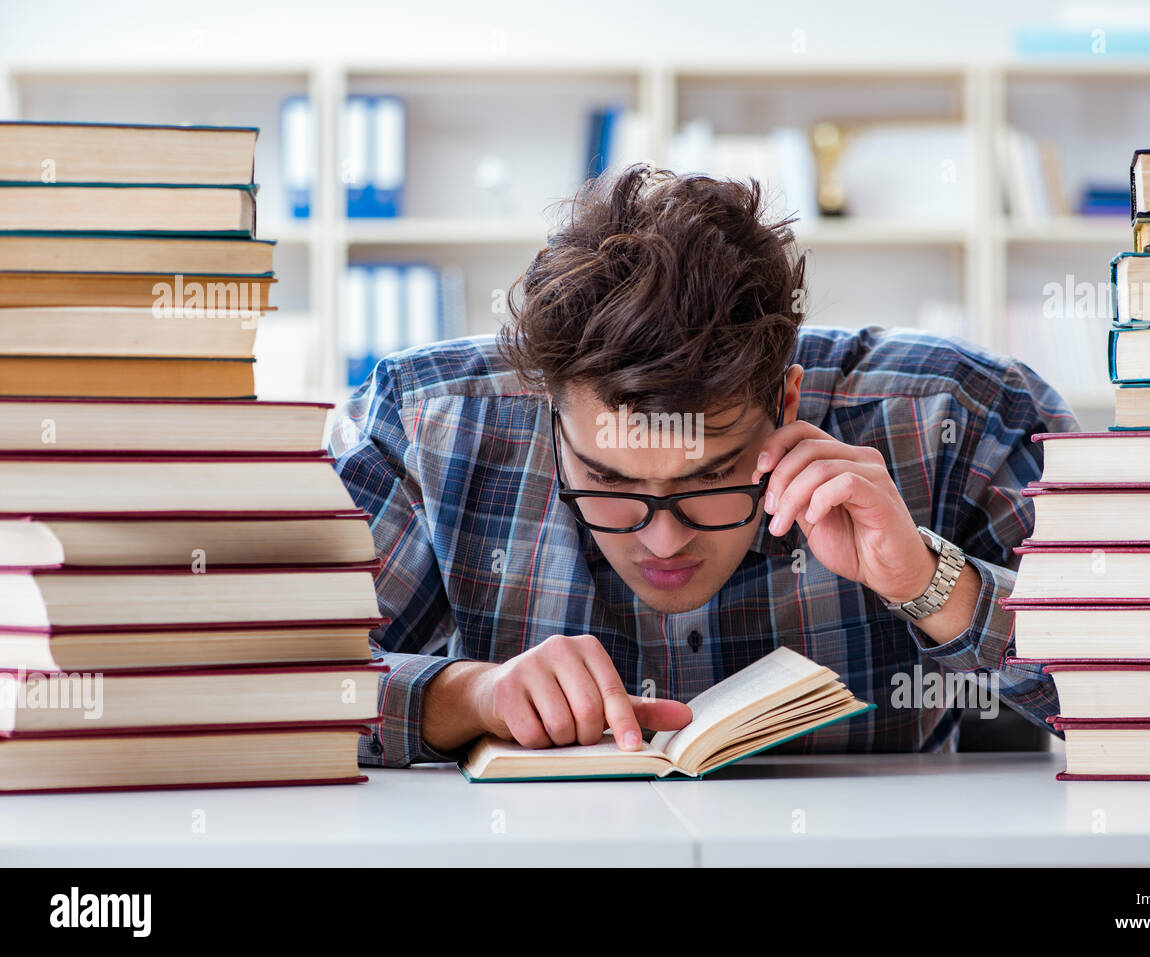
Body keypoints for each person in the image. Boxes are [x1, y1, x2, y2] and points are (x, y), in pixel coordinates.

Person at [329, 163, 1078, 769]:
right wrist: (471, 696)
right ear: (547, 409)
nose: (662, 541)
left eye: (709, 477)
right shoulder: (424, 420)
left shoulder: (965, 416)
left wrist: (926, 582)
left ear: (786, 399)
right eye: (612, 480)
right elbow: (270, 694)